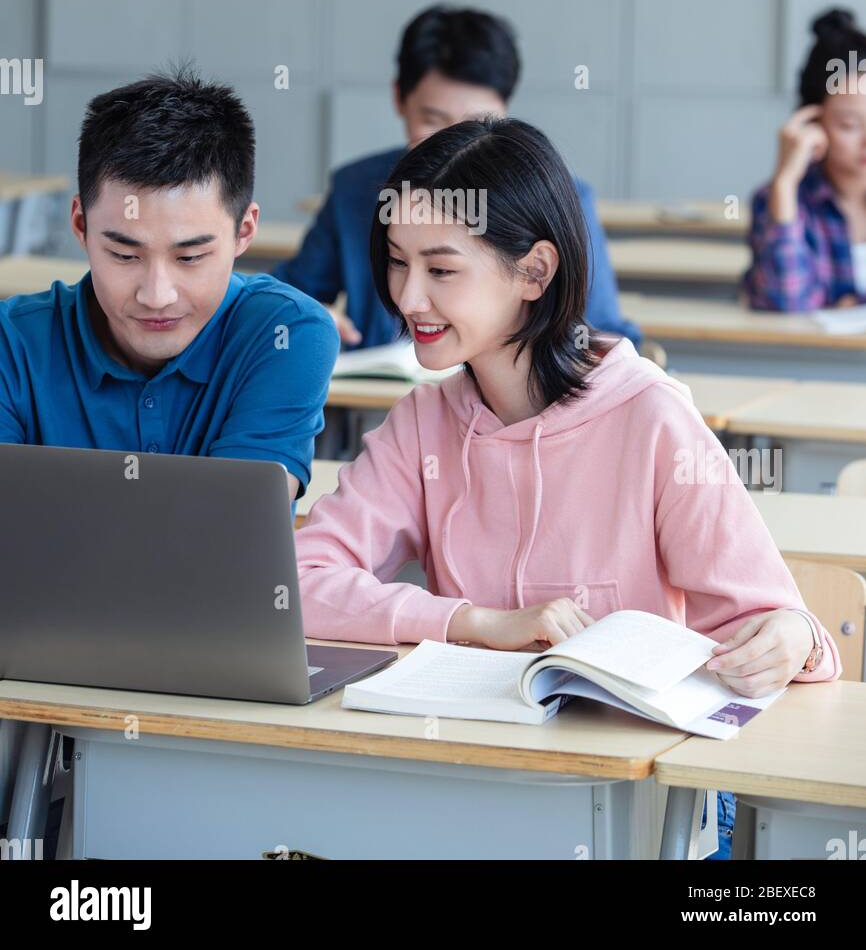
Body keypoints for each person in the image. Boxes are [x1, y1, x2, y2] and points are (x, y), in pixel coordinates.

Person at [295, 115, 841, 859]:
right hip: (467, 786)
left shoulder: (650, 417)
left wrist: (793, 636)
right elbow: (296, 581)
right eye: (396, 262)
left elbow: (781, 626)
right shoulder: (425, 421)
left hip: (629, 808)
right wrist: (475, 622)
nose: (408, 298)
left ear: (533, 271)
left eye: (441, 269)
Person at [0, 65, 339, 507]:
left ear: (244, 230)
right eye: (125, 255)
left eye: (190, 257)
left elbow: (233, 526)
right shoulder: (12, 341)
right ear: (81, 225)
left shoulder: (286, 334)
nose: (157, 295)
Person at [274, 3, 640, 349]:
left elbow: (600, 333)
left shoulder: (560, 198)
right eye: (432, 121)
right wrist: (306, 315)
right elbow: (290, 292)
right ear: (399, 98)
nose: (452, 144)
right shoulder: (357, 188)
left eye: (475, 125)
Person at [745, 7, 866, 310]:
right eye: (849, 125)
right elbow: (786, 300)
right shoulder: (777, 199)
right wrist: (785, 183)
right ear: (813, 122)